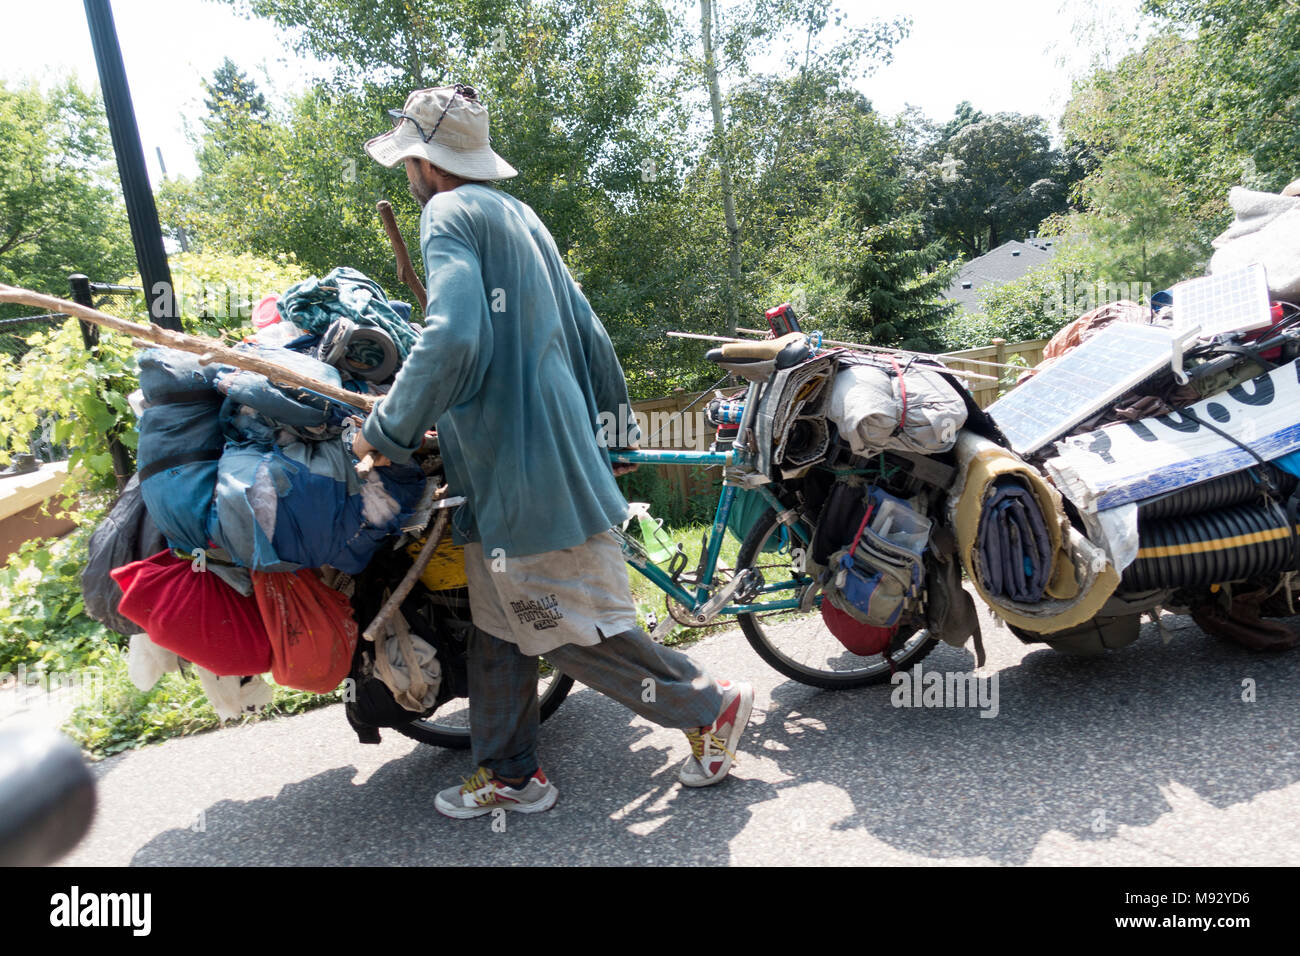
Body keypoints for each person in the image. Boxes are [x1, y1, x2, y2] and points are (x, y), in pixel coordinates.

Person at [354, 84, 753, 819]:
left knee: (561, 634)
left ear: (425, 161)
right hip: (517, 476)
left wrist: (386, 429)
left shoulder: (446, 213)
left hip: (521, 478)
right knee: (501, 630)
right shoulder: (519, 217)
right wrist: (616, 431)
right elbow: (590, 331)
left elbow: (453, 337)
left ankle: (706, 706)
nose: (406, 174)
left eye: (408, 158)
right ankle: (509, 772)